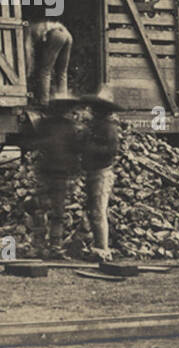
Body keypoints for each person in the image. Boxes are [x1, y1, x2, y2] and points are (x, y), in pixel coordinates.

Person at [28, 97, 82, 258]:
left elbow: (36, 144)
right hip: (60, 174)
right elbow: (76, 150)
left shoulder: (44, 125)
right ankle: (54, 246)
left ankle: (39, 245)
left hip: (47, 172)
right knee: (57, 211)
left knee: (41, 208)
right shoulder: (70, 127)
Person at [80, 85, 121, 261]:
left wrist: (88, 145)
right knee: (94, 211)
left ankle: (103, 250)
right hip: (94, 172)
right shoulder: (97, 126)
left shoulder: (108, 128)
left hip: (101, 173)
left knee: (98, 211)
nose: (91, 110)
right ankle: (99, 248)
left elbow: (111, 150)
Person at [25, 18, 72, 105]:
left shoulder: (28, 30)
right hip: (67, 34)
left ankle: (44, 102)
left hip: (56, 35)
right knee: (62, 72)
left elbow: (28, 53)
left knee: (45, 70)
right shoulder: (40, 25)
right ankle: (63, 101)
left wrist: (29, 71)